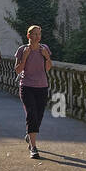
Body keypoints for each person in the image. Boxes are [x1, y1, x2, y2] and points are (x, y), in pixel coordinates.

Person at [15, 25, 53, 159]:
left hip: (42, 86)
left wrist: (47, 57)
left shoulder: (44, 49)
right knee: (31, 114)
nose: (37, 37)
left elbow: (48, 68)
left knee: (39, 116)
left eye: (39, 34)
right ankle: (33, 147)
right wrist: (24, 58)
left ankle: (29, 134)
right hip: (26, 86)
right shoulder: (22, 50)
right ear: (28, 36)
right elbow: (18, 70)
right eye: (34, 34)